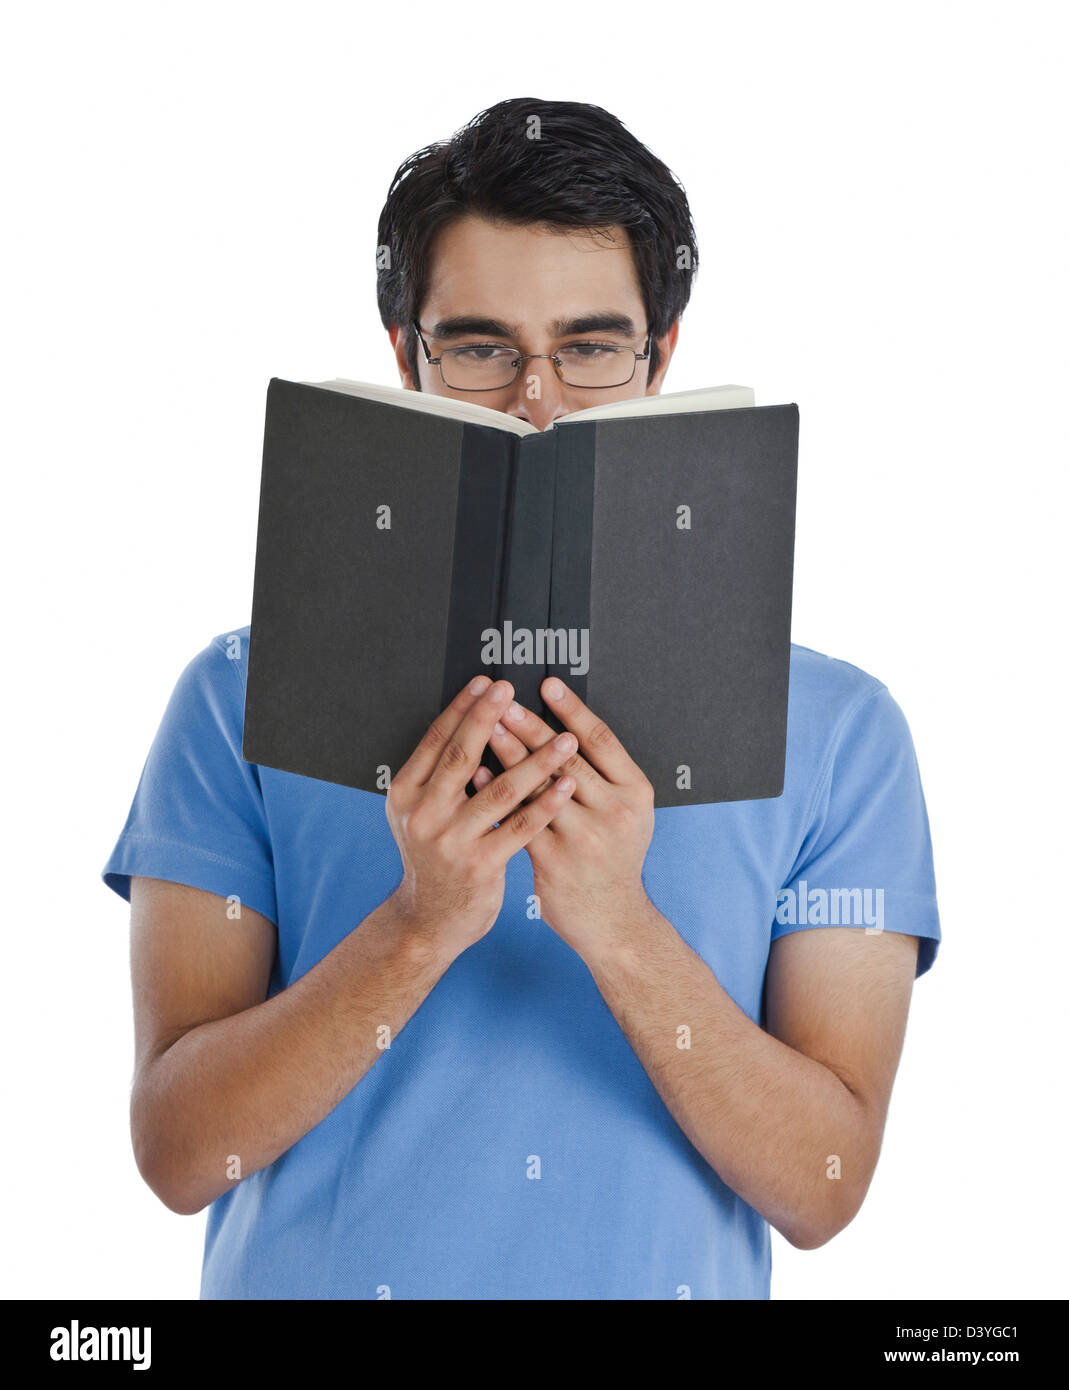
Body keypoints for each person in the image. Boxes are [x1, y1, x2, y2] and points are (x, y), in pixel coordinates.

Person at [102, 98, 941, 1300]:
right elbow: (180, 1155)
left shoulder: (842, 733)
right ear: (406, 357)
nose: (538, 402)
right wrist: (420, 923)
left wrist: (615, 922)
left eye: (592, 348)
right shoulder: (237, 696)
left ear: (661, 357)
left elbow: (820, 1186)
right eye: (482, 348)